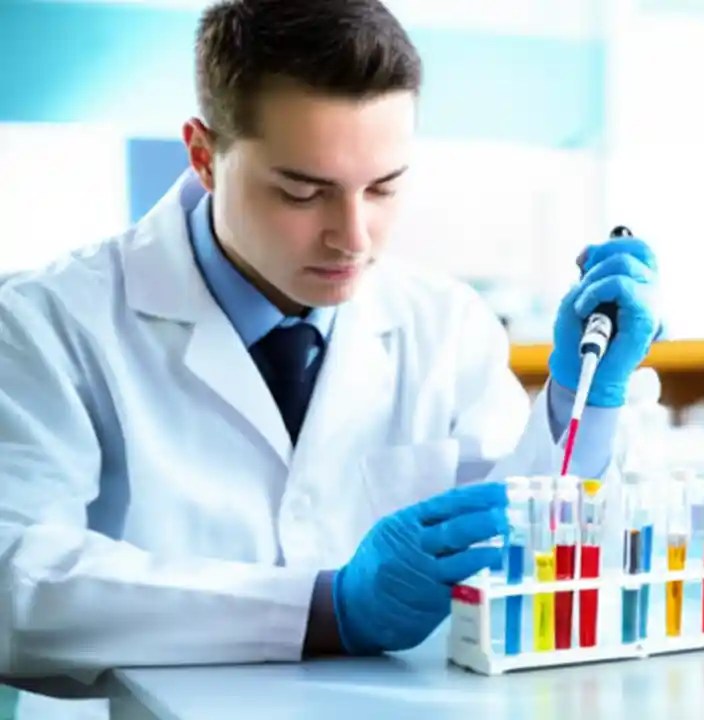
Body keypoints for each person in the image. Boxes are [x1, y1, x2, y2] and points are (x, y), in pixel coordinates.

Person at [0, 0, 659, 715]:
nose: (353, 238)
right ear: (202, 156)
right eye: (301, 191)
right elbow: (17, 581)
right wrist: (323, 606)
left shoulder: (445, 323)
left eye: (383, 187)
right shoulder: (48, 321)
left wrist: (583, 401)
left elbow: (517, 548)